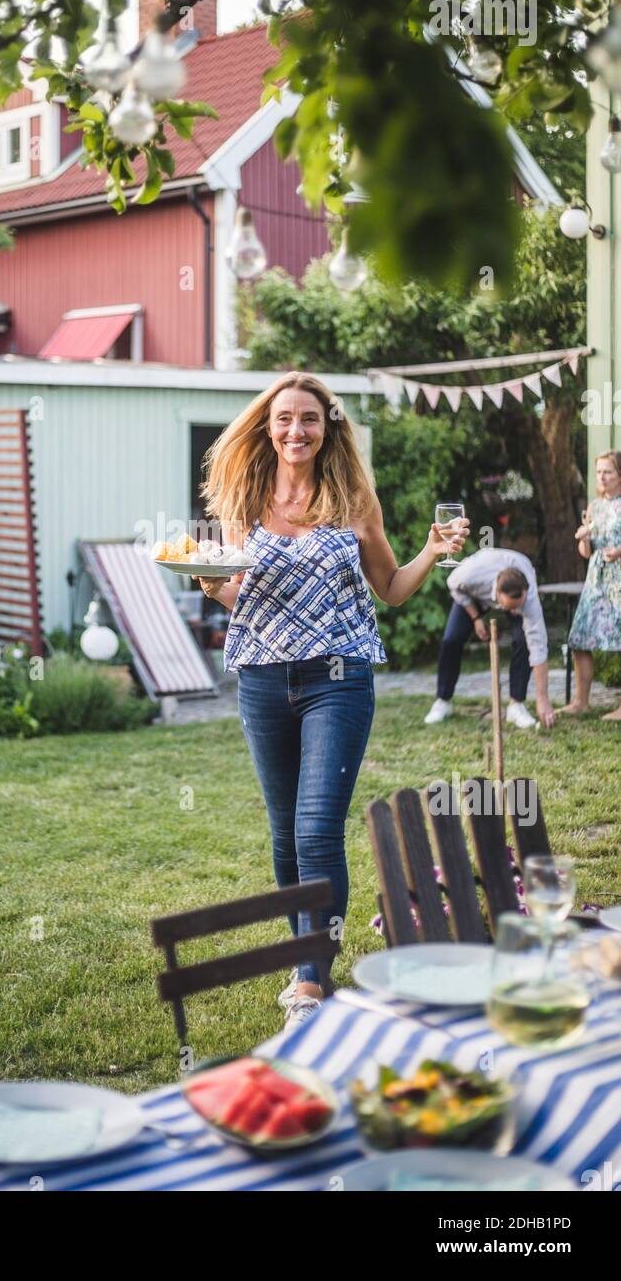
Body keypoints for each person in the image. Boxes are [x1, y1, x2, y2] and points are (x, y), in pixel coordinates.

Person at [195, 372, 469, 1030]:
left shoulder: (352, 498)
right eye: (284, 418)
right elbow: (250, 597)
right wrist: (214, 589)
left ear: (329, 427)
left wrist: (432, 550)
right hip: (262, 676)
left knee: (317, 826)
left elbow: (391, 589)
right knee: (285, 833)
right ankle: (307, 951)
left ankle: (309, 983)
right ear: (268, 425)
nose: (296, 430)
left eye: (309, 419)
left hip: (339, 679)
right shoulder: (244, 498)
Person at [423, 546, 556, 730]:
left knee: (525, 640)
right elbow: (452, 585)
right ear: (497, 595)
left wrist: (543, 699)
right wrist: (476, 617)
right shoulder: (470, 574)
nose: (514, 612)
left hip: (513, 589)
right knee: (451, 640)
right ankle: (442, 701)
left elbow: (539, 646)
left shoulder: (528, 597)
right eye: (510, 607)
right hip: (473, 595)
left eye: (518, 606)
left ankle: (516, 706)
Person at [562, 450, 621, 721]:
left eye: (608, 471)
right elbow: (586, 552)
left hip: (619, 581)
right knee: (579, 637)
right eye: (598, 472)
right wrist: (584, 538)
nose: (602, 477)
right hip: (596, 581)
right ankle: (581, 702)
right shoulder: (595, 506)